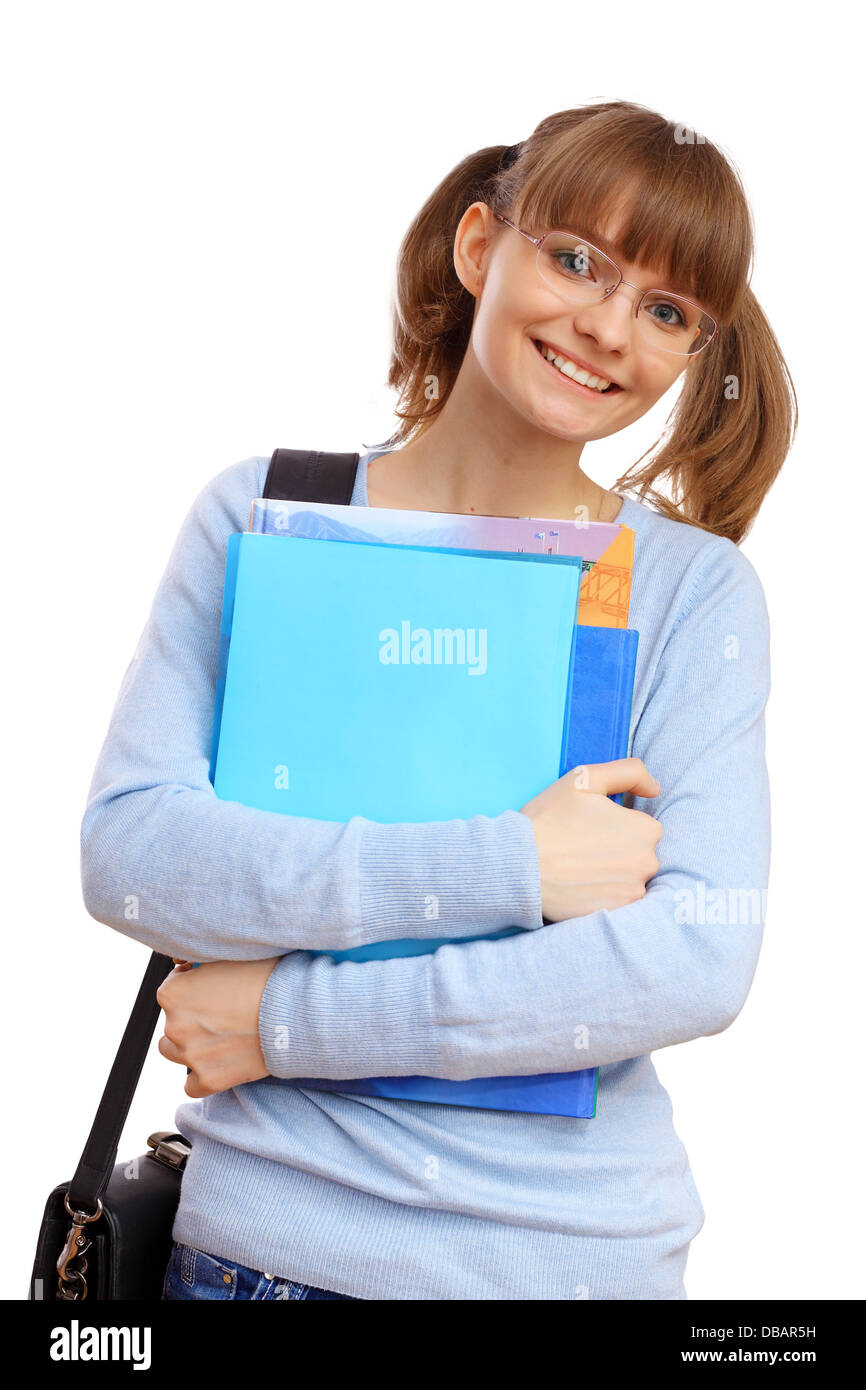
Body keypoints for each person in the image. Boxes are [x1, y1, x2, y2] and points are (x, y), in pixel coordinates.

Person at [81, 99, 796, 1301]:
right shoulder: (264, 515)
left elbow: (690, 957)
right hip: (262, 1253)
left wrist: (289, 1020)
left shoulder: (691, 594)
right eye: (576, 260)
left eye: (665, 311)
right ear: (479, 249)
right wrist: (510, 866)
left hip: (568, 1269)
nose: (606, 326)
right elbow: (135, 854)